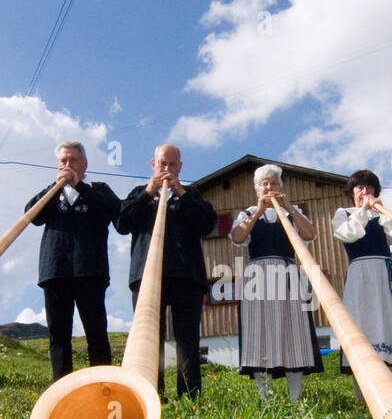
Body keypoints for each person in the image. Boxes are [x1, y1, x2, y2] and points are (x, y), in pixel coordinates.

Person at [116, 143, 216, 399]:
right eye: (162, 164)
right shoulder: (139, 193)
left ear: (180, 167)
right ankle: (151, 396)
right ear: (153, 165)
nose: (167, 169)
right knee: (149, 341)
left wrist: (181, 192)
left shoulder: (191, 194)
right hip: (146, 277)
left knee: (187, 340)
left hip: (187, 277)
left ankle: (190, 397)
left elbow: (206, 225)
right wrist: (149, 191)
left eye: (172, 164)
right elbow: (122, 223)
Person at [24, 140, 120, 381]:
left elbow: (114, 211)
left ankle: (102, 386)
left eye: (72, 160)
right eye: (62, 161)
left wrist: (79, 185)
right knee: (58, 336)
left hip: (90, 272)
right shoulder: (51, 193)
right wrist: (55, 188)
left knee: (96, 333)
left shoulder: (99, 189)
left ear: (84, 164)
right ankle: (62, 390)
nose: (67, 165)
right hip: (55, 272)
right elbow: (31, 215)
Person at [229, 164, 324, 402]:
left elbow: (311, 234)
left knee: (294, 332)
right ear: (257, 189)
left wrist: (288, 207)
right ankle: (265, 397)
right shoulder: (248, 213)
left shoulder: (293, 212)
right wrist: (259, 212)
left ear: (281, 187)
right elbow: (237, 237)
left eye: (273, 183)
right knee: (260, 333)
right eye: (264, 184)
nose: (269, 187)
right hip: (258, 276)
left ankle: (295, 397)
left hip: (287, 272)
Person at [331, 169, 392, 388]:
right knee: (362, 323)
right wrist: (362, 210)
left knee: (391, 322)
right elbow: (348, 234)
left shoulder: (381, 215)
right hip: (360, 274)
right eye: (360, 187)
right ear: (352, 192)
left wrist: (384, 212)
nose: (365, 191)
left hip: (385, 272)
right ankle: (363, 392)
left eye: (369, 187)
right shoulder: (344, 213)